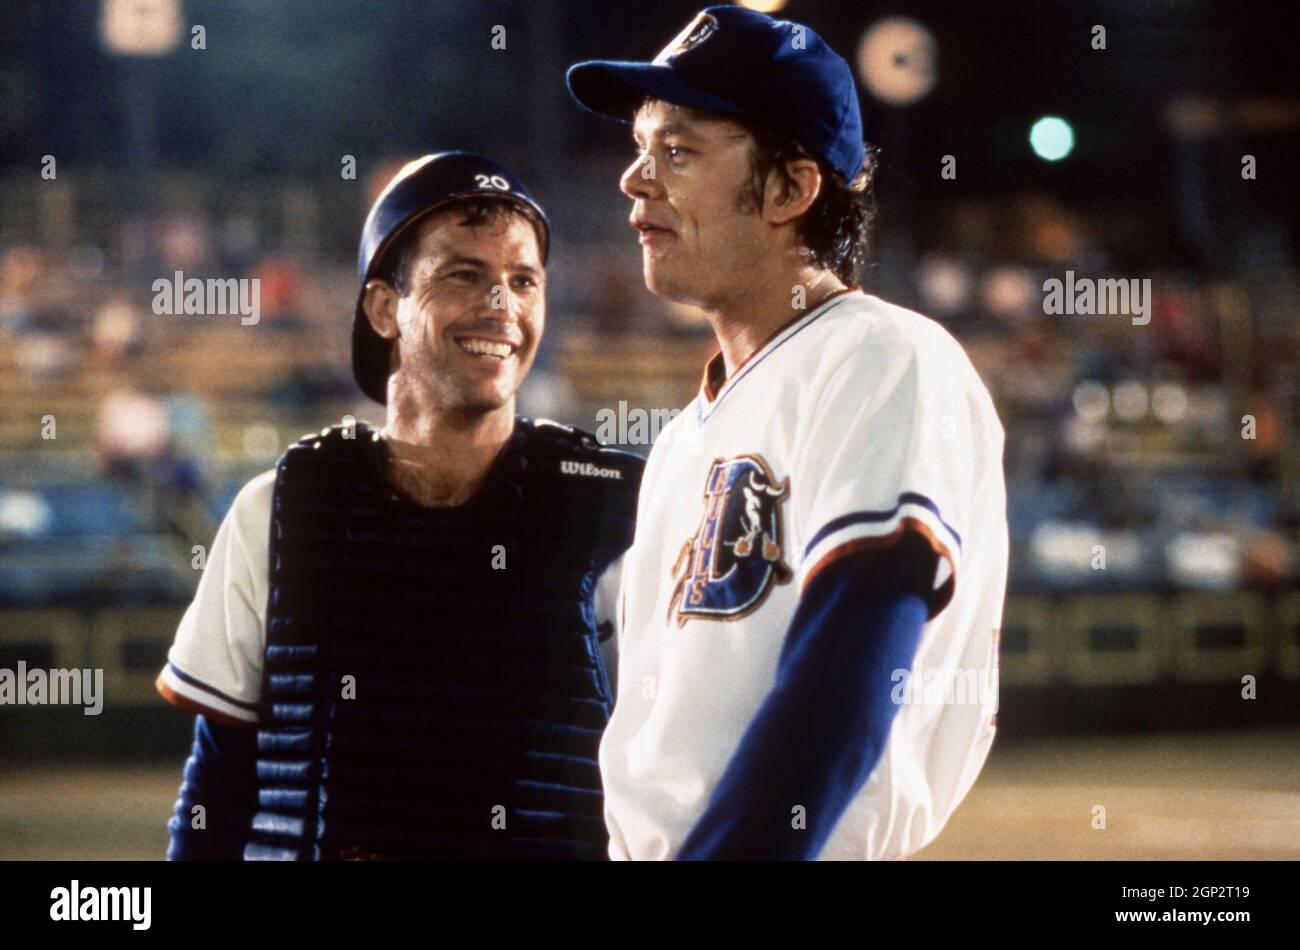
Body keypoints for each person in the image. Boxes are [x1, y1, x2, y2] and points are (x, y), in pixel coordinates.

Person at [566, 6, 1008, 860]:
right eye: (638, 145)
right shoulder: (683, 440)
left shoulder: (884, 357)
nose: (634, 178)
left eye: (678, 151)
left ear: (790, 189)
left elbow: (847, 677)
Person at [155, 152, 643, 860]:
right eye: (464, 275)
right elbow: (219, 786)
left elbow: (666, 776)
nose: (501, 306)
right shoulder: (281, 513)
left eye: (523, 281)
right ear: (385, 306)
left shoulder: (613, 522)